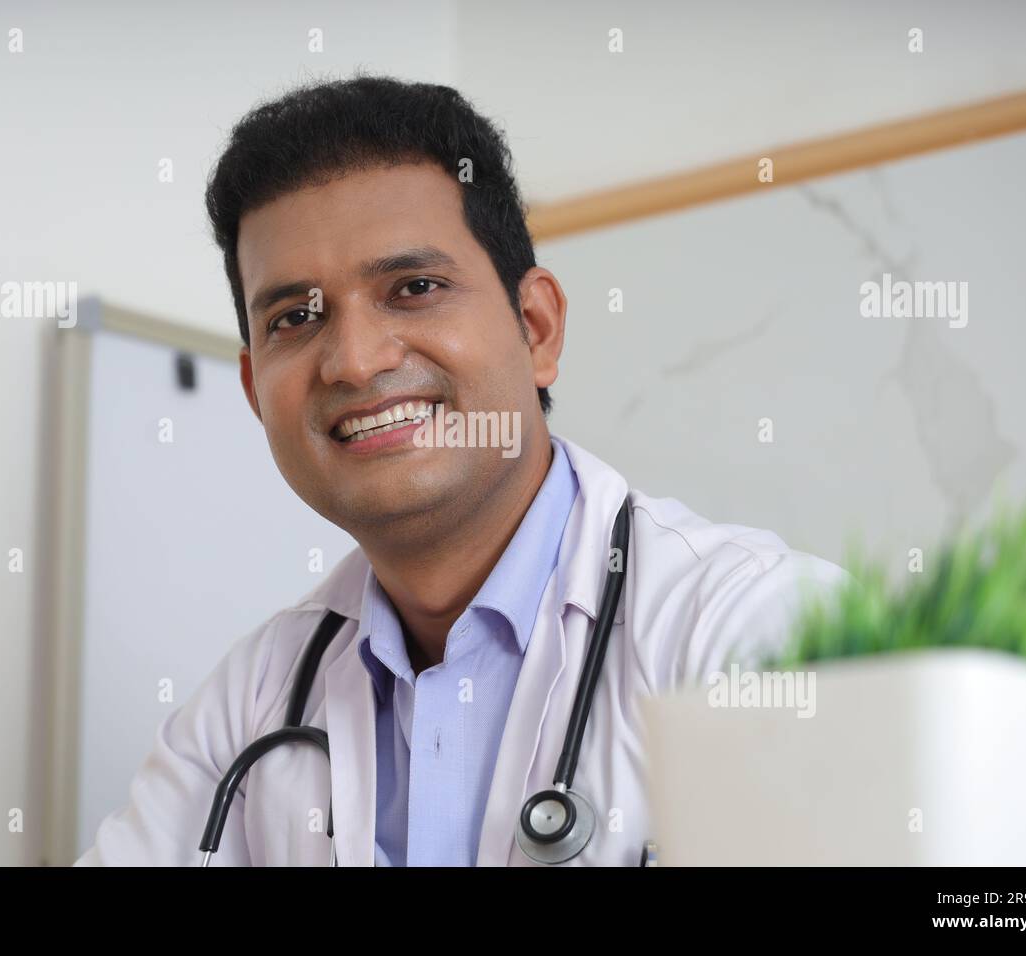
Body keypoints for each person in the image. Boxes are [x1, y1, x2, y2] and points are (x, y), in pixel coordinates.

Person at [76, 74, 847, 867]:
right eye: (295, 318)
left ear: (537, 328)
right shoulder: (248, 708)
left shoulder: (758, 632)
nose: (354, 359)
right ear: (253, 390)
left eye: (414, 288)